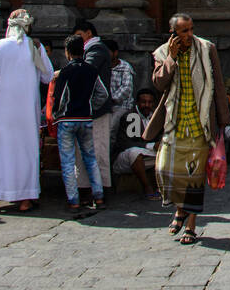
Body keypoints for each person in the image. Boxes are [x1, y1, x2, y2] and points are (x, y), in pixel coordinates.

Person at [144, 14, 229, 245]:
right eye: (183, 31)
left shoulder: (206, 49)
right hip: (174, 122)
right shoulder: (162, 54)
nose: (189, 35)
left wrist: (222, 118)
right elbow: (159, 84)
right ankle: (180, 210)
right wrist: (171, 58)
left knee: (194, 178)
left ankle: (190, 225)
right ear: (173, 34)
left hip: (200, 123)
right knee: (165, 171)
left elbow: (218, 83)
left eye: (191, 29)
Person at [0, 9, 54, 214]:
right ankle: (24, 200)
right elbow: (48, 76)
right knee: (25, 153)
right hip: (25, 114)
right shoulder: (34, 47)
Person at [50, 34, 107, 215]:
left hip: (67, 120)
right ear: (83, 51)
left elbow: (59, 98)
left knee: (68, 161)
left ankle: (73, 201)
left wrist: (56, 114)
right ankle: (98, 196)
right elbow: (102, 94)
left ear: (67, 52)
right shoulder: (91, 70)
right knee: (90, 159)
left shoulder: (65, 72)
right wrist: (90, 107)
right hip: (86, 119)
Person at [73, 20, 114, 204]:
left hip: (96, 108)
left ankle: (98, 190)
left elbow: (86, 70)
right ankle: (87, 188)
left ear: (88, 33)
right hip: (89, 108)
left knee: (97, 150)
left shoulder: (96, 49)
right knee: (86, 150)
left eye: (79, 35)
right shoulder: (93, 49)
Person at [112, 88, 159, 199]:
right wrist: (151, 146)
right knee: (134, 153)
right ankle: (148, 188)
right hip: (124, 159)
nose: (147, 105)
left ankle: (160, 188)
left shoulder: (156, 117)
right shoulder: (129, 116)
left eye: (150, 102)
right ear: (137, 103)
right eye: (143, 102)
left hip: (148, 156)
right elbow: (125, 144)